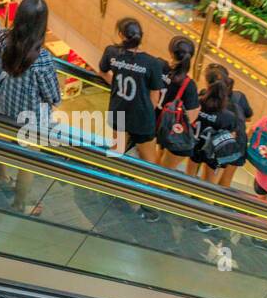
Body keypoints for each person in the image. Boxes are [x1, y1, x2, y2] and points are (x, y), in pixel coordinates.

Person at [0, 0, 61, 214]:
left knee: (2, 141)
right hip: (32, 117)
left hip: (7, 103)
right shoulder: (42, 58)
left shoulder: (2, 38)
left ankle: (2, 177)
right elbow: (54, 97)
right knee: (28, 161)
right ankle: (20, 204)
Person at [99, 18, 166, 180]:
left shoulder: (112, 52)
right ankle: (147, 194)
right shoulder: (153, 63)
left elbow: (102, 71)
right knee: (149, 161)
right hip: (142, 117)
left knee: (116, 151)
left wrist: (115, 84)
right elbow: (155, 97)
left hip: (119, 109)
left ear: (121, 35)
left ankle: (112, 184)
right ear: (141, 36)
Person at [190, 79, 246, 197]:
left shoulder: (198, 104)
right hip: (213, 154)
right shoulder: (228, 117)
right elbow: (231, 137)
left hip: (194, 147)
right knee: (209, 188)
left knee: (187, 179)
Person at [156, 37, 201, 172]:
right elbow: (191, 118)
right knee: (163, 173)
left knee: (154, 164)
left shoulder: (158, 65)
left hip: (152, 126)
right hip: (170, 130)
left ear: (171, 52)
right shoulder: (188, 85)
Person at [205, 65, 252, 188]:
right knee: (224, 183)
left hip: (222, 144)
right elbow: (249, 116)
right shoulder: (239, 97)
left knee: (209, 183)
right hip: (236, 143)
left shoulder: (207, 98)